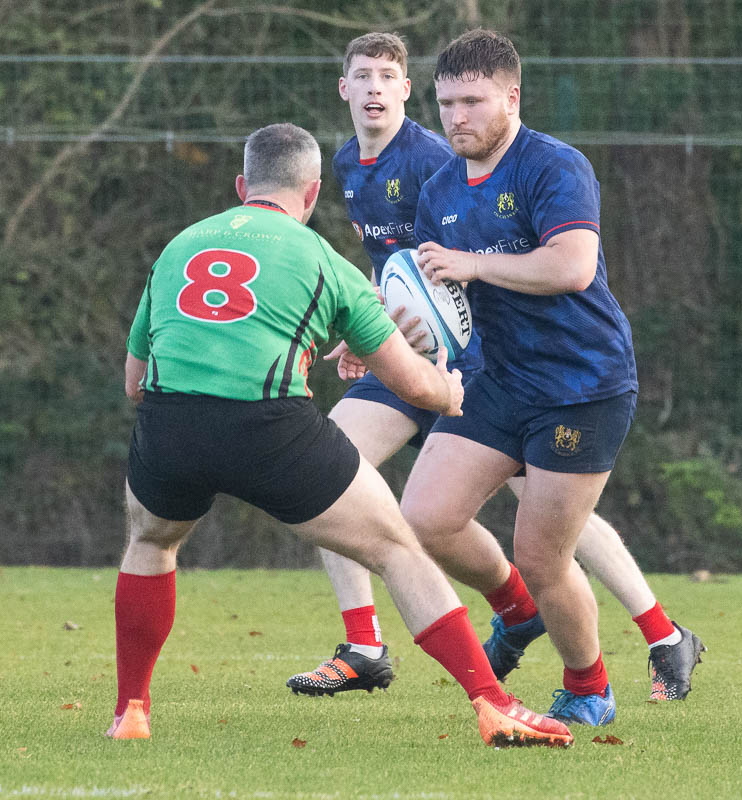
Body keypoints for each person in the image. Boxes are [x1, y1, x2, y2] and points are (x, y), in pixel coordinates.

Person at [108, 122, 572, 748]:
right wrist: (450, 390)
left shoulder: (177, 248)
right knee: (397, 549)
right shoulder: (324, 261)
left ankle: (131, 710)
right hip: (268, 428)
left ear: (242, 186)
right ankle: (494, 704)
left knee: (151, 544)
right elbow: (412, 385)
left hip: (169, 426)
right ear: (312, 192)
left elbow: (135, 381)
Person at [286, 32, 704, 706]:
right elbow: (429, 297)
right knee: (425, 518)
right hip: (497, 380)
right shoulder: (442, 186)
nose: (457, 117)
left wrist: (475, 263)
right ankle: (517, 613)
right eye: (447, 102)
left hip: (580, 386)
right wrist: (372, 339)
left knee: (543, 556)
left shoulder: (553, 166)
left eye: (473, 102)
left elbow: (570, 266)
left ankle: (586, 687)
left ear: (511, 97)